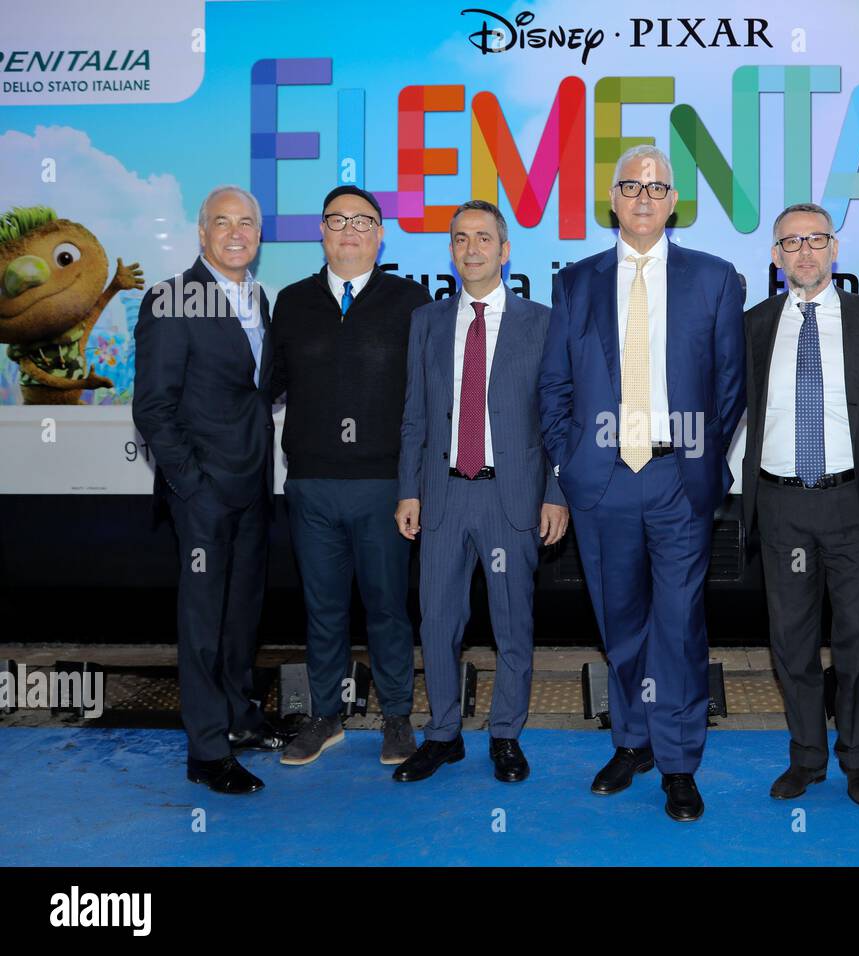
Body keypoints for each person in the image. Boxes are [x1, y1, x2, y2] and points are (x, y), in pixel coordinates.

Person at [538, 145, 745, 822]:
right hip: (602, 480)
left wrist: (696, 463)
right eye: (632, 186)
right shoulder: (575, 282)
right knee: (620, 622)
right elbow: (556, 387)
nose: (645, 197)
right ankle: (633, 740)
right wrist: (572, 465)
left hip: (677, 479)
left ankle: (679, 761)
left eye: (658, 187)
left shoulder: (715, 279)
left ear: (674, 201)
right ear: (614, 200)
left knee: (679, 625)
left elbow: (729, 389)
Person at [393, 200, 568, 785]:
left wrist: (556, 492)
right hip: (443, 496)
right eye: (461, 238)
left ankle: (505, 736)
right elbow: (415, 416)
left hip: (510, 500)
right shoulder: (427, 322)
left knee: (511, 625)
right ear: (450, 250)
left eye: (484, 238)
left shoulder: (541, 324)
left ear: (505, 248)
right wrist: (408, 491)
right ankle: (442, 735)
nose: (472, 248)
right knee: (437, 623)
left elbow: (556, 420)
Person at [270, 185, 432, 767]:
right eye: (336, 220)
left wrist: (414, 483)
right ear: (321, 231)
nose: (349, 231)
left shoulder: (411, 302)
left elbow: (425, 399)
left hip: (384, 488)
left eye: (362, 221)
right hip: (311, 486)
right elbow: (269, 387)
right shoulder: (290, 302)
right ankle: (324, 717)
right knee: (323, 608)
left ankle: (395, 718)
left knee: (388, 606)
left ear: (380, 234)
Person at [741, 203, 859, 807]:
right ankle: (807, 757)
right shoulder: (754, 326)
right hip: (782, 507)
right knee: (793, 640)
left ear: (835, 249)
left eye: (815, 240)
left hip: (853, 504)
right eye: (790, 243)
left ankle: (858, 758)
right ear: (776, 258)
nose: (804, 252)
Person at [134, 185, 285, 794]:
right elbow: (153, 407)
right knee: (202, 622)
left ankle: (240, 719)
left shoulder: (258, 297)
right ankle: (205, 750)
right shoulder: (170, 300)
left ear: (258, 234)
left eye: (246, 222)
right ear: (201, 234)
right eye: (221, 223)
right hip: (203, 494)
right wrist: (191, 487)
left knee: (241, 615)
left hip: (253, 488)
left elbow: (254, 392)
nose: (235, 233)